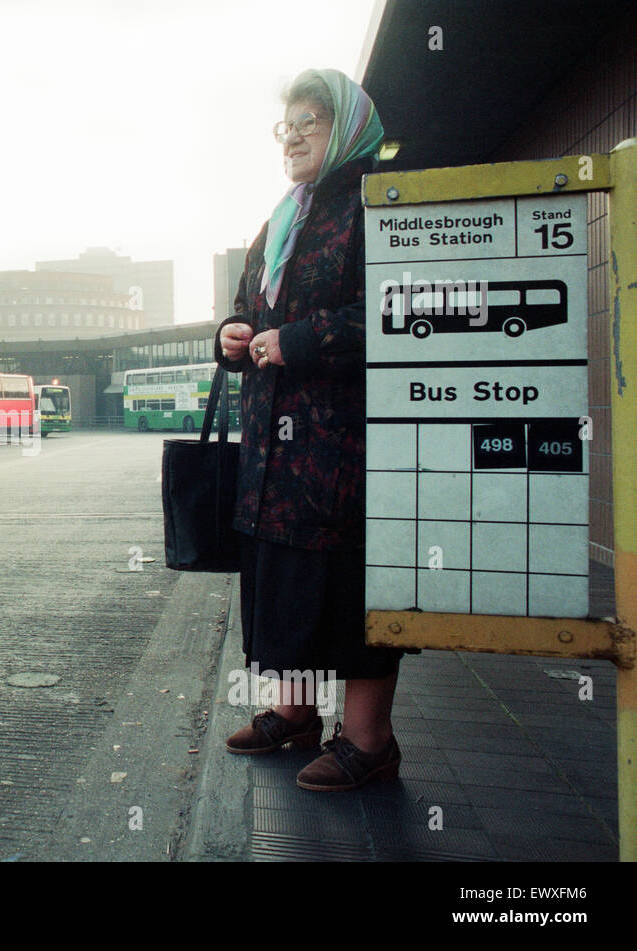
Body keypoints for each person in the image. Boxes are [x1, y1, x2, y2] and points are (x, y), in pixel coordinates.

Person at [215, 68, 404, 791]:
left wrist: (297, 340)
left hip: (347, 449)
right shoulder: (282, 217)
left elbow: (397, 314)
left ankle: (369, 739)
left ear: (348, 128)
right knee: (285, 581)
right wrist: (232, 337)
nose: (291, 138)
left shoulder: (376, 204)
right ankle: (293, 713)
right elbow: (243, 310)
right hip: (275, 453)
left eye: (308, 124)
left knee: (349, 586)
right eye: (284, 127)